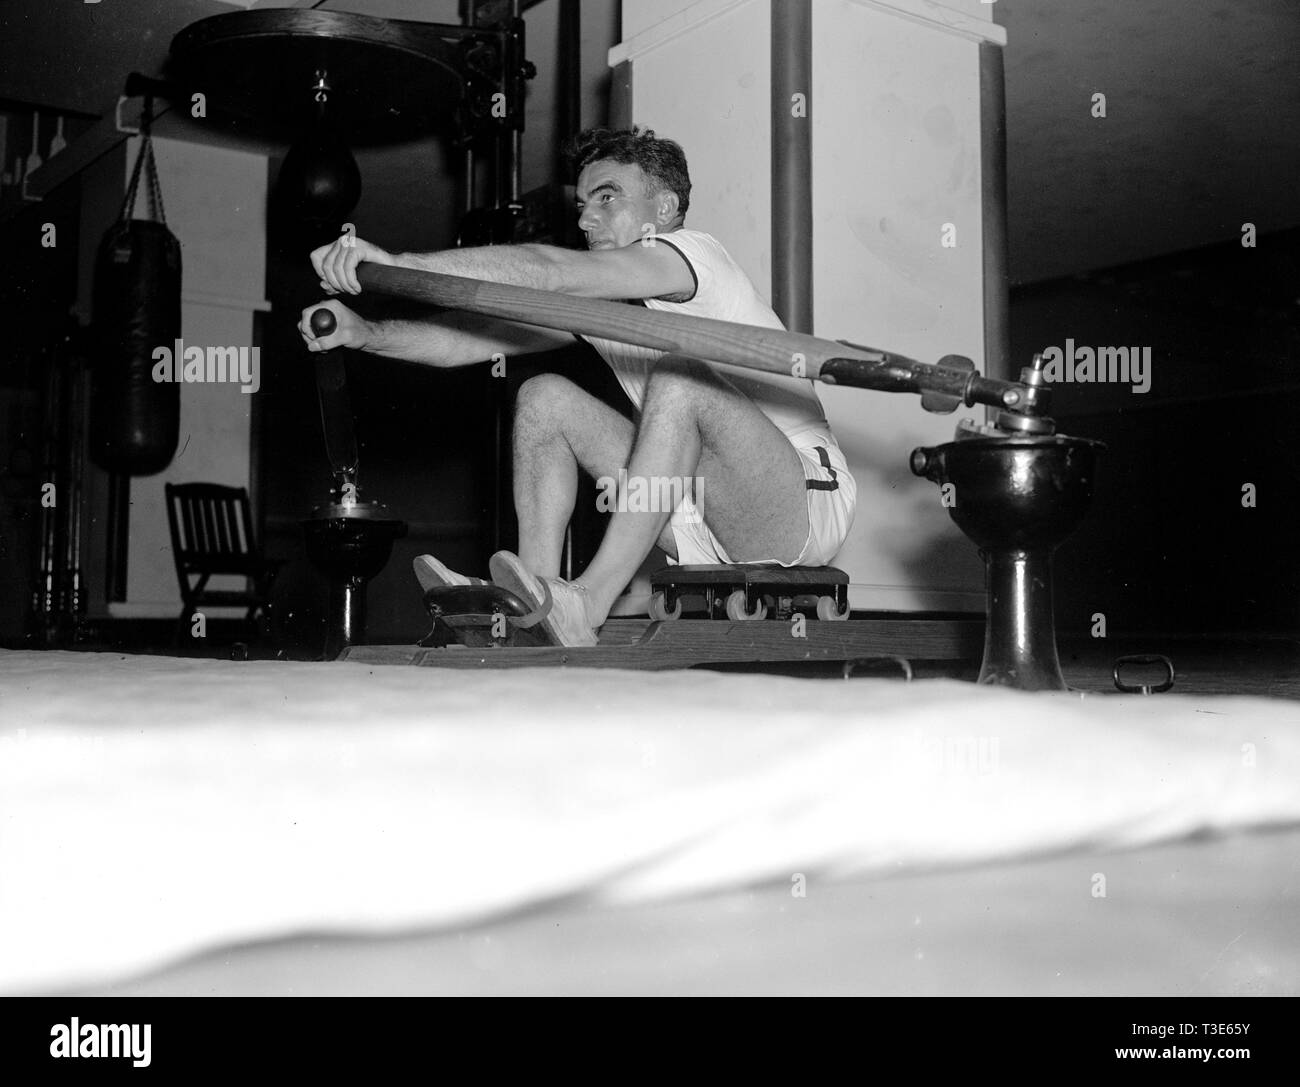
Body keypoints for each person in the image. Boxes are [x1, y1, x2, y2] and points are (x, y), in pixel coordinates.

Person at [301, 126, 855, 646]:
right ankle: (533, 600)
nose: (588, 219)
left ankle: (588, 603)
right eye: (583, 205)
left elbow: (548, 269)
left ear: (662, 209)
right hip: (696, 513)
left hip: (801, 502)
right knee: (541, 397)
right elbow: (466, 344)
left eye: (607, 198)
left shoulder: (695, 257)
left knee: (680, 375)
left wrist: (397, 262)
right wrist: (366, 332)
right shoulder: (604, 301)